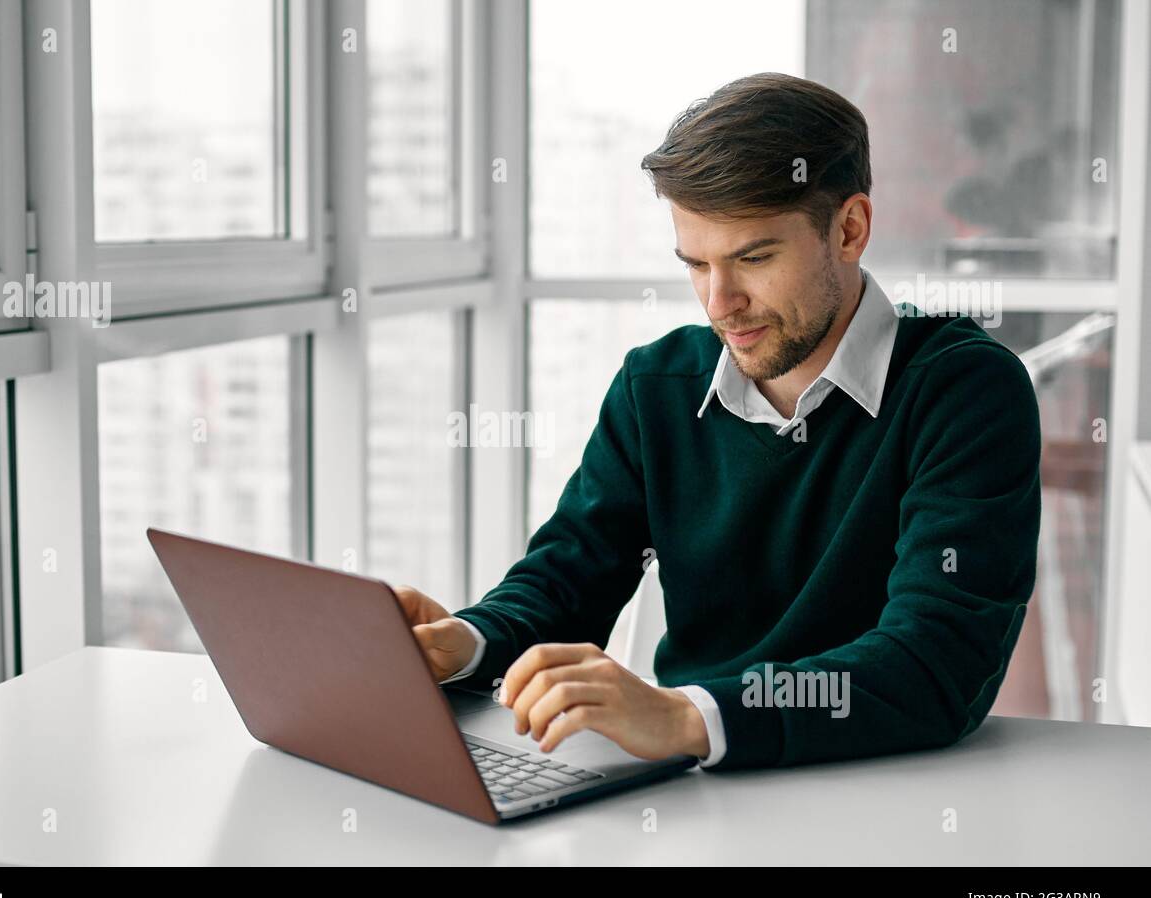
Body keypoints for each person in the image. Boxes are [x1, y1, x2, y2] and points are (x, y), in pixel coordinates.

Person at [395, 72, 1042, 771]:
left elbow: (934, 663)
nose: (720, 302)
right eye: (696, 264)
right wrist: (464, 641)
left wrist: (687, 715)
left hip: (889, 790)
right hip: (698, 792)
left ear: (850, 229)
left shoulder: (965, 393)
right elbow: (564, 583)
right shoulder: (656, 388)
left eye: (754, 258)